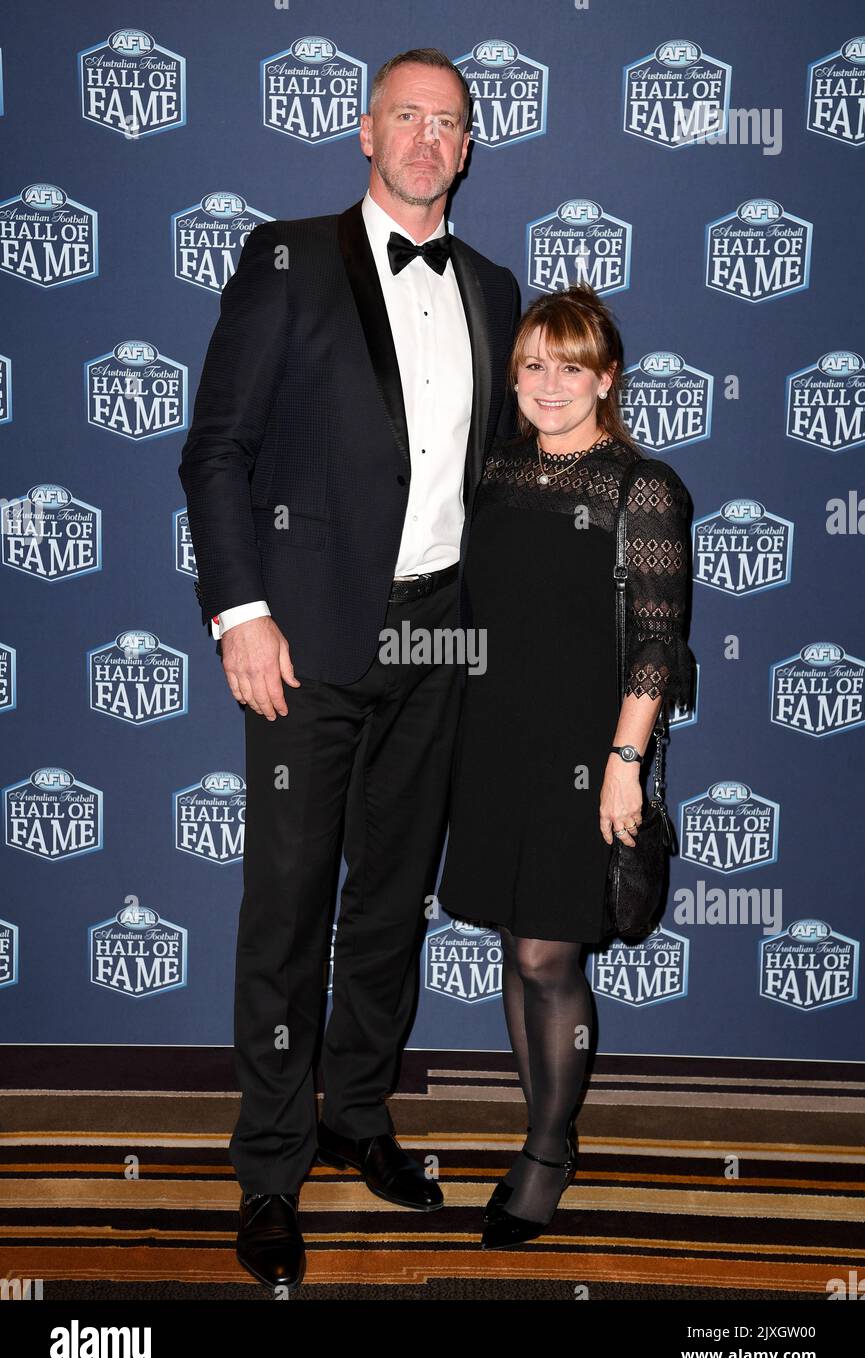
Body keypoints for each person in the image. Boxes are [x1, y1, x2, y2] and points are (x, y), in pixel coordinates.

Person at [178, 48, 519, 1291]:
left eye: (449, 123)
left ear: (469, 147)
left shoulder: (490, 284)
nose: (428, 140)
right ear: (363, 137)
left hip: (438, 637)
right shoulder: (284, 258)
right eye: (406, 119)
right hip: (308, 638)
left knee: (389, 901)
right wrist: (239, 613)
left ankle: (355, 1112)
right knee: (286, 909)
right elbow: (215, 448)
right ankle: (269, 1169)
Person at [437, 283, 697, 1250]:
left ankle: (549, 1148)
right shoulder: (496, 471)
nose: (550, 384)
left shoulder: (644, 488)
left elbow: (657, 646)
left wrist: (626, 759)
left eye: (571, 365)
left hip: (588, 755)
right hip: (492, 740)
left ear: (608, 378)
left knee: (551, 952)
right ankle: (539, 1126)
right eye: (533, 365)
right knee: (516, 944)